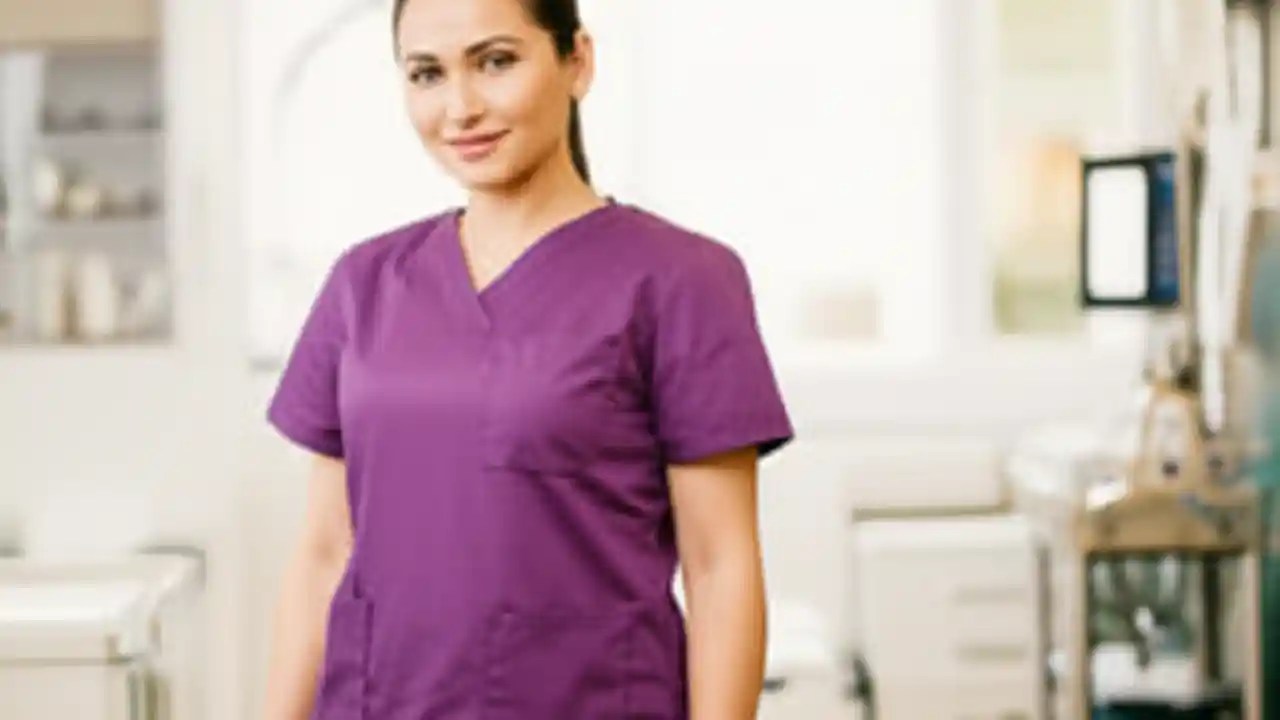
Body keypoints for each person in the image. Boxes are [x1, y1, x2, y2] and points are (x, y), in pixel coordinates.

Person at [261, 0, 795, 717]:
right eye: (427, 74)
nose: (461, 107)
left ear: (578, 61)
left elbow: (719, 564)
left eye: (496, 61)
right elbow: (324, 555)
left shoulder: (682, 280)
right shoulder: (363, 284)